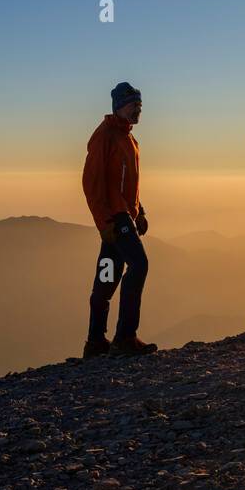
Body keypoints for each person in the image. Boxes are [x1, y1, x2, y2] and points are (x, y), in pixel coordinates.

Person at [81, 82, 157, 358]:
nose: (138, 109)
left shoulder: (129, 139)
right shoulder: (105, 136)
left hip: (123, 215)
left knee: (107, 277)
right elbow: (92, 182)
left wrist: (140, 211)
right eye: (132, 104)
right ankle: (125, 337)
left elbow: (127, 184)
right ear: (118, 106)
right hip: (115, 217)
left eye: (140, 105)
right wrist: (104, 223)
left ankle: (95, 342)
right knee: (139, 264)